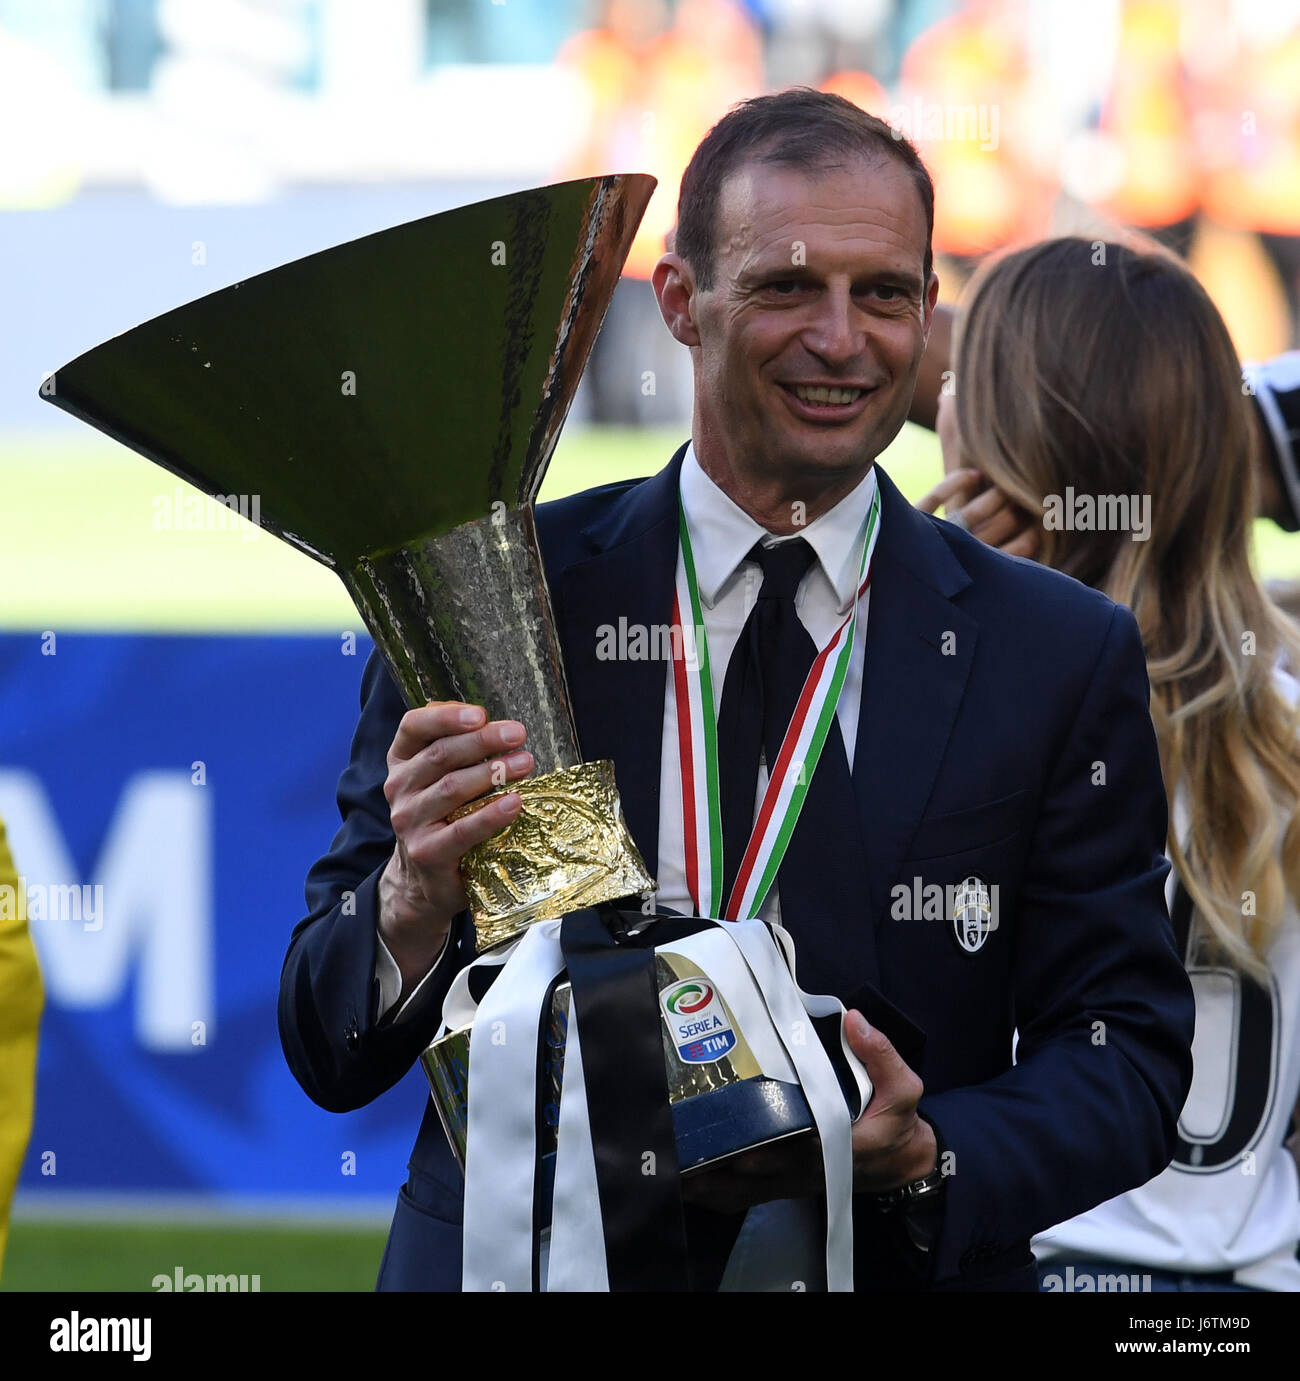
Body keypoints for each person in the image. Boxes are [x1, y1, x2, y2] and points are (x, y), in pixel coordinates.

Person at [279, 88, 1195, 1292]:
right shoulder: (498, 592)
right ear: (679, 303)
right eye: (785, 288)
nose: (840, 338)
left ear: (929, 315)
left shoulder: (1054, 648)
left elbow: (1125, 1054)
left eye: (883, 294)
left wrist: (929, 1155)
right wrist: (406, 901)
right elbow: (328, 1039)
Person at [929, 234, 1300, 1291]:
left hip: (1029, 1261)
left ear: (1005, 441)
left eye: (959, 383)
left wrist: (927, 609)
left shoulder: (968, 702)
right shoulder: (1281, 714)